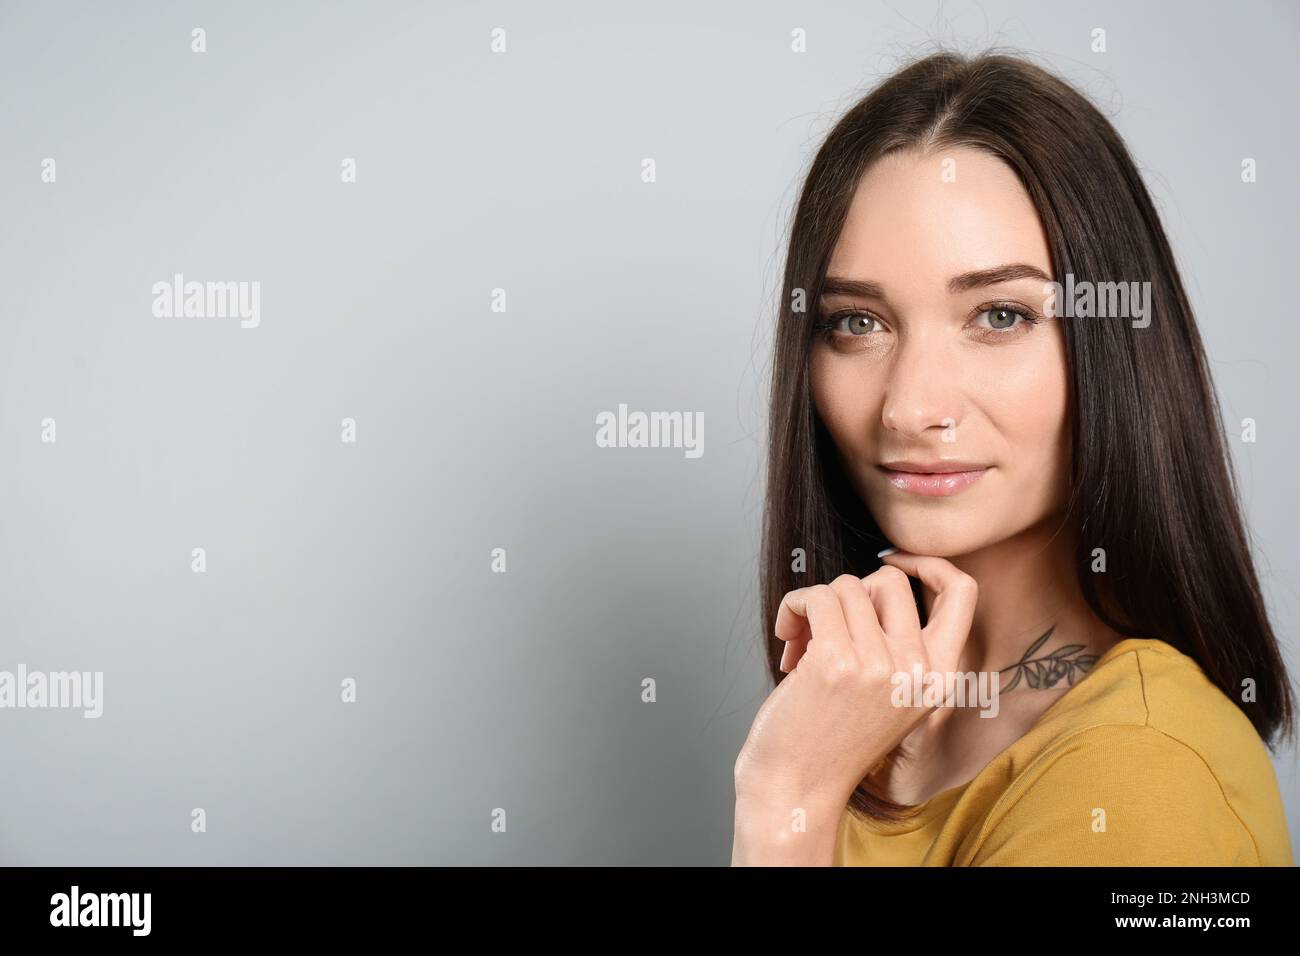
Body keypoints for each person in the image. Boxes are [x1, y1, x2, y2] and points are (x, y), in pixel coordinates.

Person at [731, 50, 1295, 866]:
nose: (911, 407)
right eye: (857, 322)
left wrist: (786, 801)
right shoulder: (860, 714)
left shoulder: (1141, 772)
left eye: (999, 315)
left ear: (1115, 346)